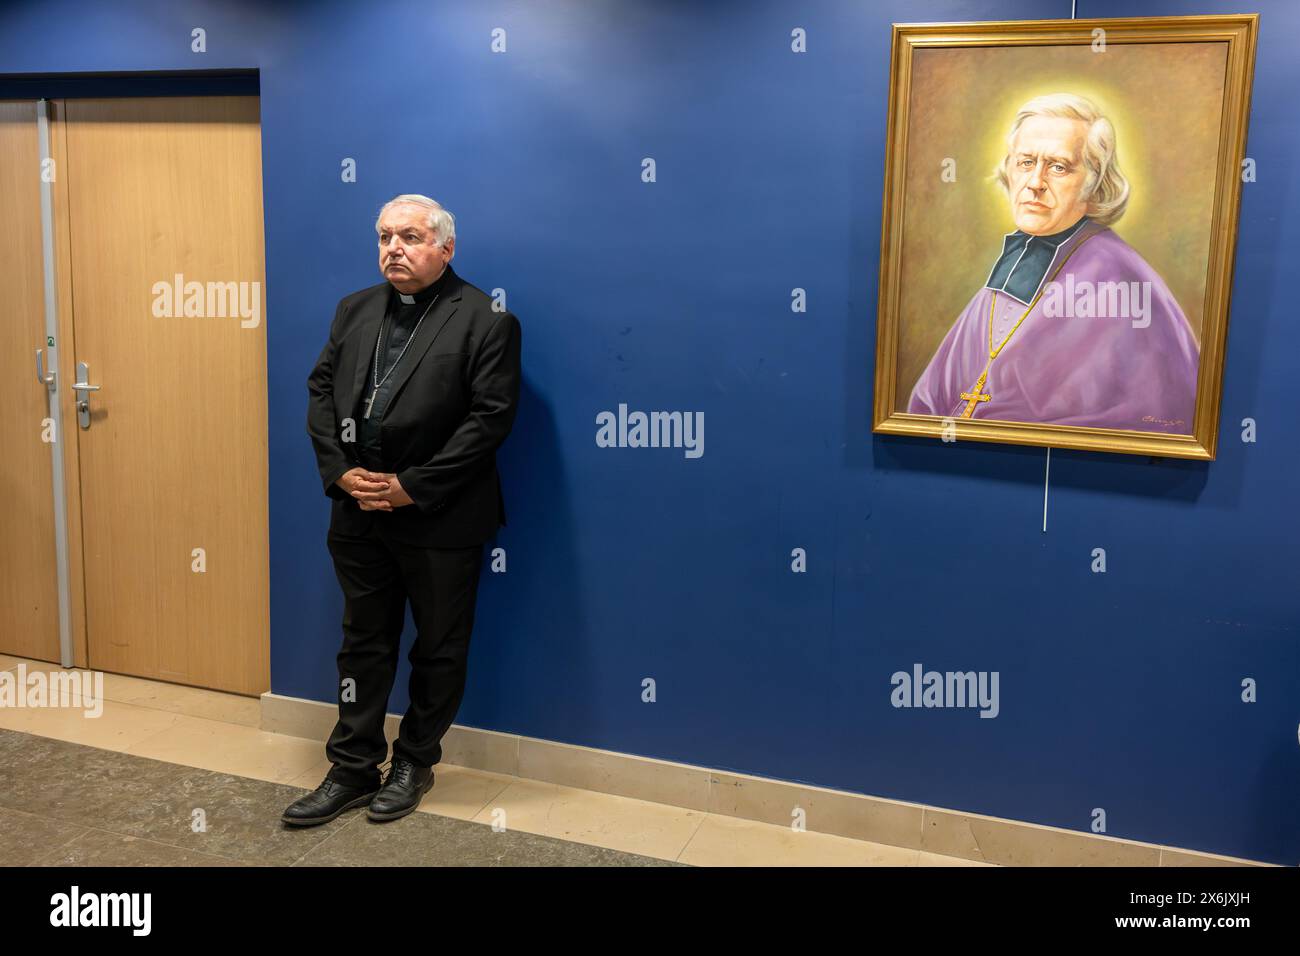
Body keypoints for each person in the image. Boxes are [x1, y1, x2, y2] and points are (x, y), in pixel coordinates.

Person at [283, 194, 521, 825]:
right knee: (362, 643)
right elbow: (320, 391)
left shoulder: (486, 318)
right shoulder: (354, 309)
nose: (395, 248)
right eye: (386, 236)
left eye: (411, 237)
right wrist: (341, 472)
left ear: (446, 247)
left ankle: (415, 761)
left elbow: (489, 419)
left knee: (439, 647)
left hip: (440, 515)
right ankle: (352, 766)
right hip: (357, 512)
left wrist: (412, 485)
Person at [907, 93, 1200, 432]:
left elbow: (1157, 419)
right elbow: (930, 399)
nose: (1035, 183)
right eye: (1025, 162)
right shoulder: (1017, 262)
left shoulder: (1122, 279)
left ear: (1095, 184)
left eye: (1058, 167)